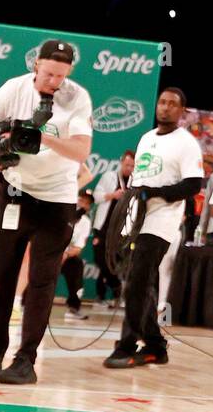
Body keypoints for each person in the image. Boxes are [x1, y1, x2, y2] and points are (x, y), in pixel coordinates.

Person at [0, 38, 93, 385]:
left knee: (41, 281)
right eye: (49, 73)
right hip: (14, 193)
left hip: (56, 200)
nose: (54, 81)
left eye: (61, 75)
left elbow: (81, 150)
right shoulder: (14, 88)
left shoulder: (77, 98)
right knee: (2, 275)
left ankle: (26, 359)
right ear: (36, 65)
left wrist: (41, 138)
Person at [104, 87, 203, 369]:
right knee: (137, 284)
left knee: (137, 283)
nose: (165, 107)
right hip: (138, 218)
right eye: (162, 102)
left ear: (182, 112)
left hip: (161, 221)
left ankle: (126, 346)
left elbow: (193, 184)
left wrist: (156, 193)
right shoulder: (147, 138)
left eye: (173, 104)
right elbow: (140, 177)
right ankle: (156, 346)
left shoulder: (186, 143)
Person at [91, 150, 134, 305]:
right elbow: (96, 197)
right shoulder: (109, 177)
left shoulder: (134, 182)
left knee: (114, 261)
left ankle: (103, 295)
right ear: (121, 162)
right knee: (100, 259)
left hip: (122, 229)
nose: (129, 168)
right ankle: (116, 287)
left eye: (132, 166)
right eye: (127, 164)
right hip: (103, 226)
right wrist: (112, 195)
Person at [61, 189, 94, 321]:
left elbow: (78, 248)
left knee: (76, 264)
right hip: (51, 253)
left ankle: (74, 307)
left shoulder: (85, 222)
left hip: (66, 256)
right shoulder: (63, 212)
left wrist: (65, 255)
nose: (82, 204)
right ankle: (22, 303)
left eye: (86, 203)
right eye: (81, 200)